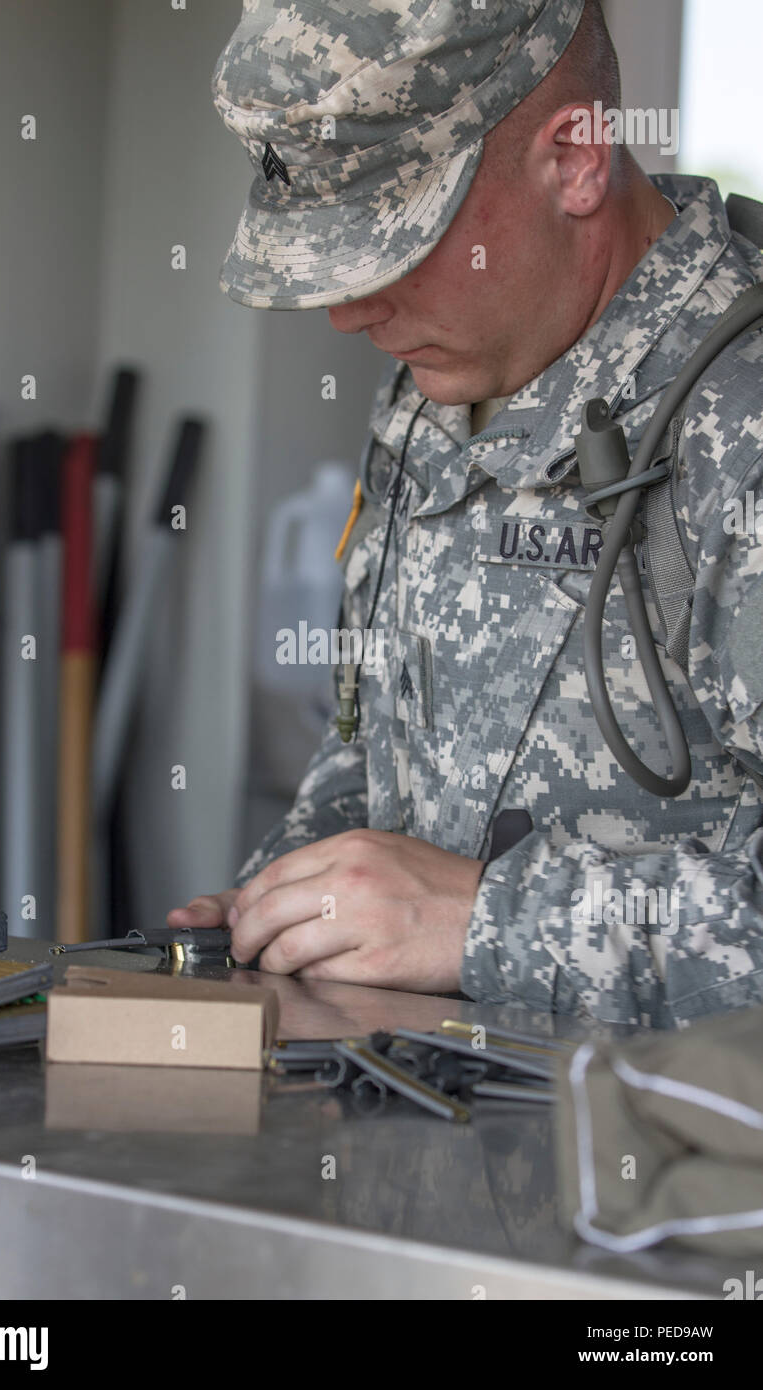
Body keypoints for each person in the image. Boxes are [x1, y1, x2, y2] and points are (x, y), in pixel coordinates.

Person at [168, 0, 763, 1027]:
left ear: (576, 160)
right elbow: (368, 739)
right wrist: (288, 908)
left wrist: (489, 922)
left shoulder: (736, 421)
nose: (349, 312)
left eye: (395, 238)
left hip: (652, 1178)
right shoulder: (441, 380)